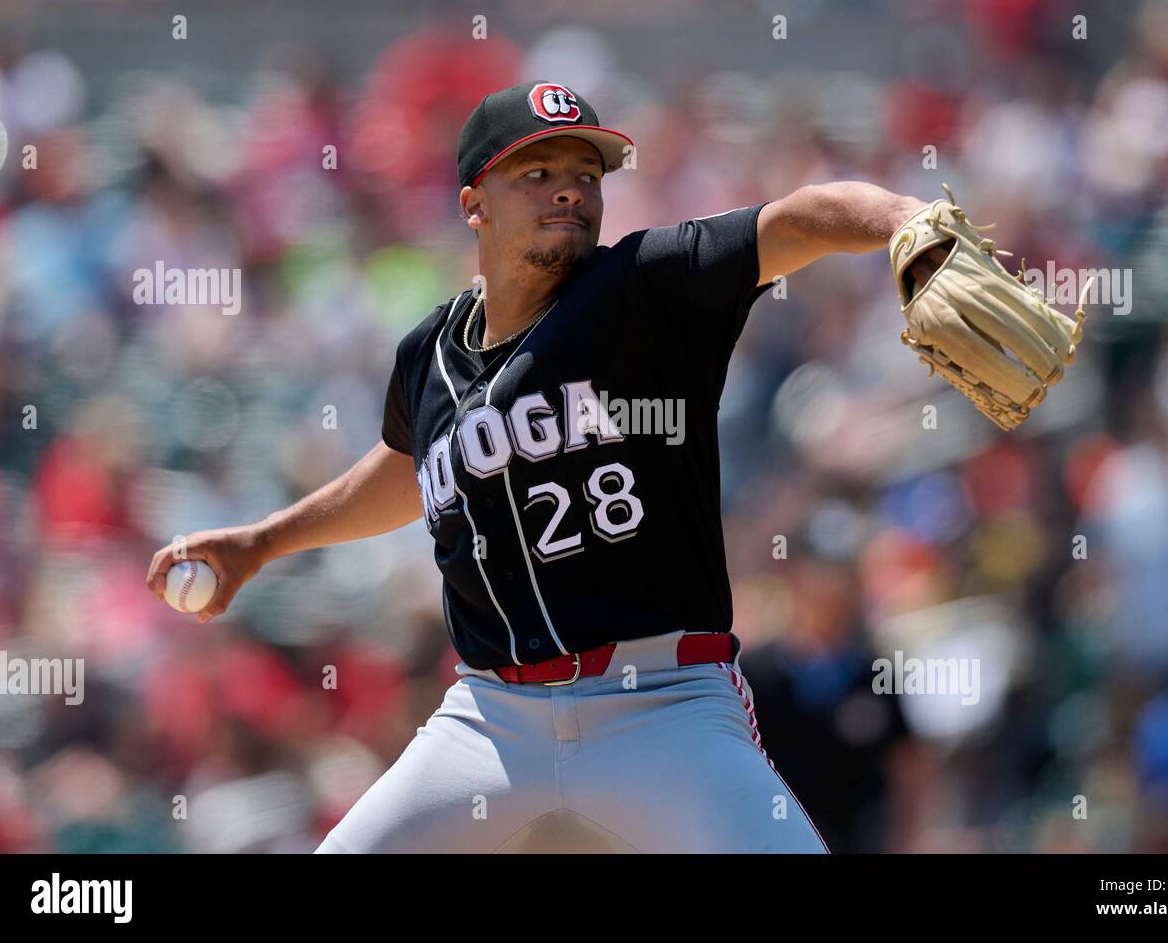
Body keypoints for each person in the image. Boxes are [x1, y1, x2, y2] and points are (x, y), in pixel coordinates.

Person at [146, 80, 935, 852]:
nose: (569, 192)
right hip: (492, 721)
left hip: (662, 706)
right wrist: (262, 541)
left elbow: (798, 221)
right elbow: (406, 473)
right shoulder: (428, 355)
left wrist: (905, 220)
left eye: (585, 176)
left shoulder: (645, 290)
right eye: (538, 174)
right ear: (473, 204)